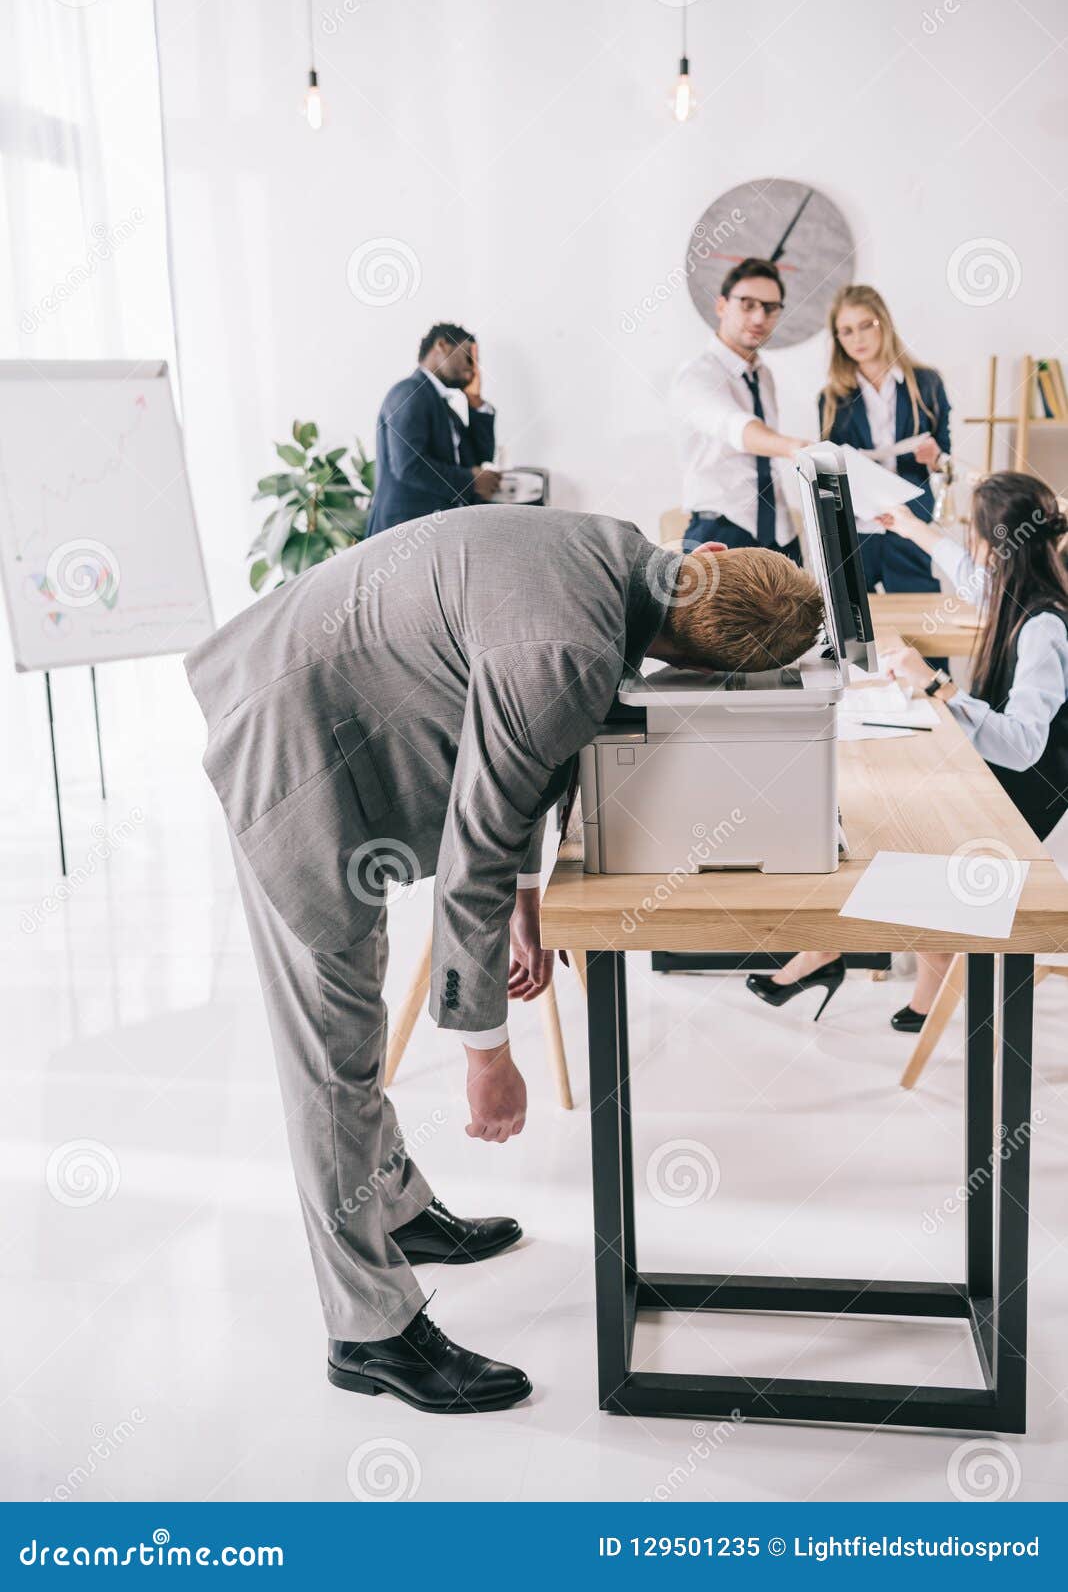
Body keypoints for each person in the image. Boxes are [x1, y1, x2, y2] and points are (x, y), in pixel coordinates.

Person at [185, 507, 823, 1414]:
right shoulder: (573, 653)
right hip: (289, 734)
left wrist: (532, 903)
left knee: (354, 1013)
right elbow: (475, 849)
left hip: (332, 693)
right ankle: (367, 1331)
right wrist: (488, 1056)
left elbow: (517, 750)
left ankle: (398, 1210)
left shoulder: (619, 551)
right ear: (699, 667)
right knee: (332, 1046)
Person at [747, 471, 1068, 1034]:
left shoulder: (1044, 626)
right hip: (1008, 786)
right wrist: (911, 527)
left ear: (993, 543)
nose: (968, 543)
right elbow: (972, 577)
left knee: (901, 836)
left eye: (971, 530)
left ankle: (854, 956)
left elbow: (1021, 747)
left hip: (1032, 803)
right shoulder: (1016, 590)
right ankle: (900, 972)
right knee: (896, 821)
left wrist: (938, 686)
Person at [671, 257, 810, 560]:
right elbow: (736, 427)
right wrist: (796, 447)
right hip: (721, 531)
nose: (759, 317)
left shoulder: (763, 375)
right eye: (748, 304)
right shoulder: (696, 374)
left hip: (779, 532)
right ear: (722, 306)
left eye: (771, 308)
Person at [821, 284, 950, 595]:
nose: (858, 338)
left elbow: (947, 461)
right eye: (847, 331)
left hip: (911, 525)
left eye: (867, 325)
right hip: (856, 530)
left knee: (918, 619)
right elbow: (828, 473)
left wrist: (936, 458)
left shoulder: (927, 384)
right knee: (856, 626)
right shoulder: (831, 398)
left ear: (885, 324)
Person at [367, 322, 501, 535]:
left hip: (432, 536)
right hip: (401, 536)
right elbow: (409, 466)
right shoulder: (409, 391)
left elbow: (481, 457)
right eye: (468, 357)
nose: (472, 368)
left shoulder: (446, 410)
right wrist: (470, 482)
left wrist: (474, 400)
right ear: (442, 345)